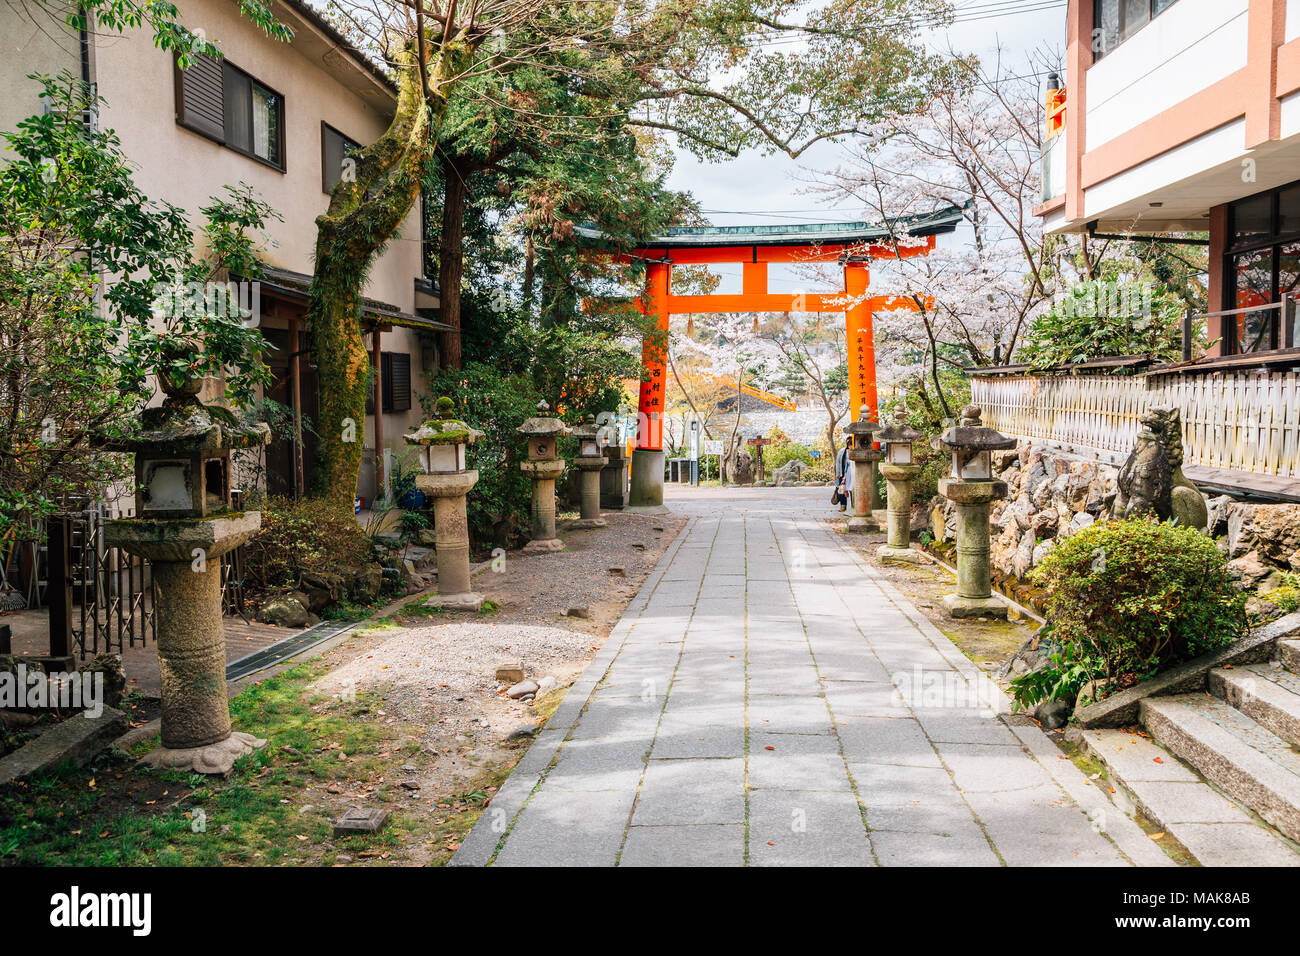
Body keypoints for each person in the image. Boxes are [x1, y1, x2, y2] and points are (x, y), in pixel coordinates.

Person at [833, 443, 853, 512]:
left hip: (851, 474)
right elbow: (838, 463)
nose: (850, 446)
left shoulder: (854, 452)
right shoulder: (842, 451)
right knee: (842, 490)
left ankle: (853, 506)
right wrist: (838, 473)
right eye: (849, 444)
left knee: (852, 490)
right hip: (842, 474)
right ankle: (843, 506)